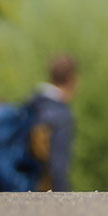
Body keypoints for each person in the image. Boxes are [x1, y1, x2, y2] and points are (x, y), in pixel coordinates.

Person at [30, 54, 79, 193]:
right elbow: (57, 165)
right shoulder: (60, 115)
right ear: (71, 78)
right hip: (47, 194)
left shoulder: (33, 103)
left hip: (26, 188)